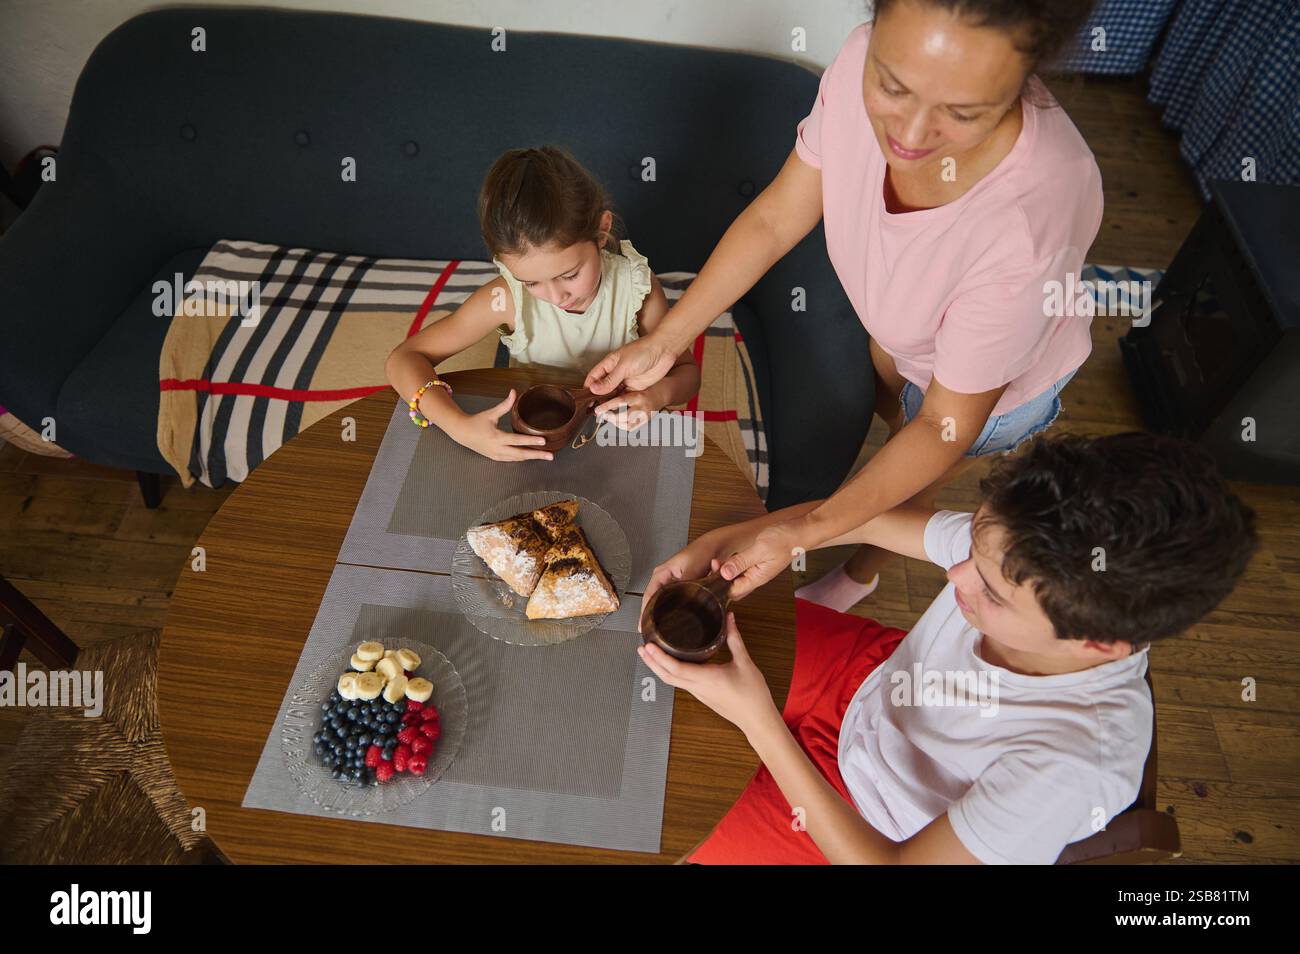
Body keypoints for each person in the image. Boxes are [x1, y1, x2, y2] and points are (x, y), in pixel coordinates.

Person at [586, 0, 1103, 610]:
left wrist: (800, 532)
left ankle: (862, 573)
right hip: (897, 335)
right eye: (892, 86)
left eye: (963, 113)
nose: (907, 137)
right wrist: (663, 342)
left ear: (1027, 78)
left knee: (915, 473)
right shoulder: (856, 54)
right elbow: (775, 220)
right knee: (894, 441)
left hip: (991, 393)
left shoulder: (1030, 223)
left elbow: (943, 425)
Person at [638, 432, 1258, 863]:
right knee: (658, 657)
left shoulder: (1074, 766)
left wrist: (758, 721)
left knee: (657, 811)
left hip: (869, 822)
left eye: (989, 589)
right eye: (973, 551)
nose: (955, 575)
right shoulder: (1030, 547)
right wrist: (749, 535)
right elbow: (870, 518)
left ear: (1098, 641)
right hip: (872, 682)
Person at [387, 146, 699, 461]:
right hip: (536, 440)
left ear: (602, 231)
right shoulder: (506, 299)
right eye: (531, 282)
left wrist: (658, 395)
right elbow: (404, 359)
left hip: (619, 438)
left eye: (570, 274)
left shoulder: (637, 291)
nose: (556, 297)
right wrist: (460, 427)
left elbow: (687, 372)